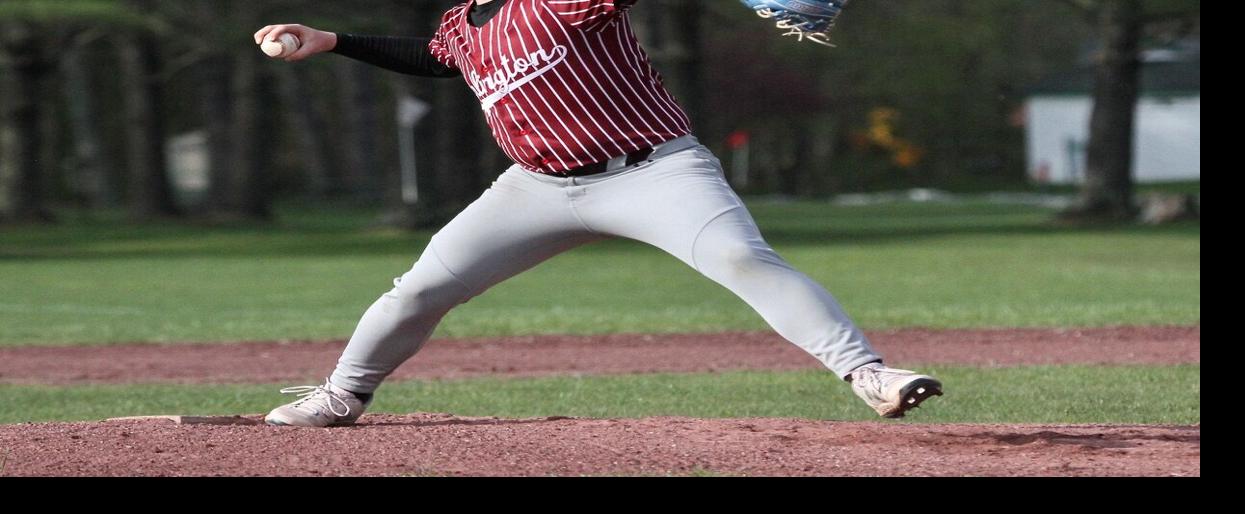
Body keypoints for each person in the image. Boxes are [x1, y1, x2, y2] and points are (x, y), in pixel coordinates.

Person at [254, 0, 942, 427]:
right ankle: (341, 396)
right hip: (535, 188)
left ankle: (867, 374)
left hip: (654, 172)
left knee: (739, 257)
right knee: (421, 289)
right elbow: (435, 60)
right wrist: (333, 40)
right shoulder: (463, 24)